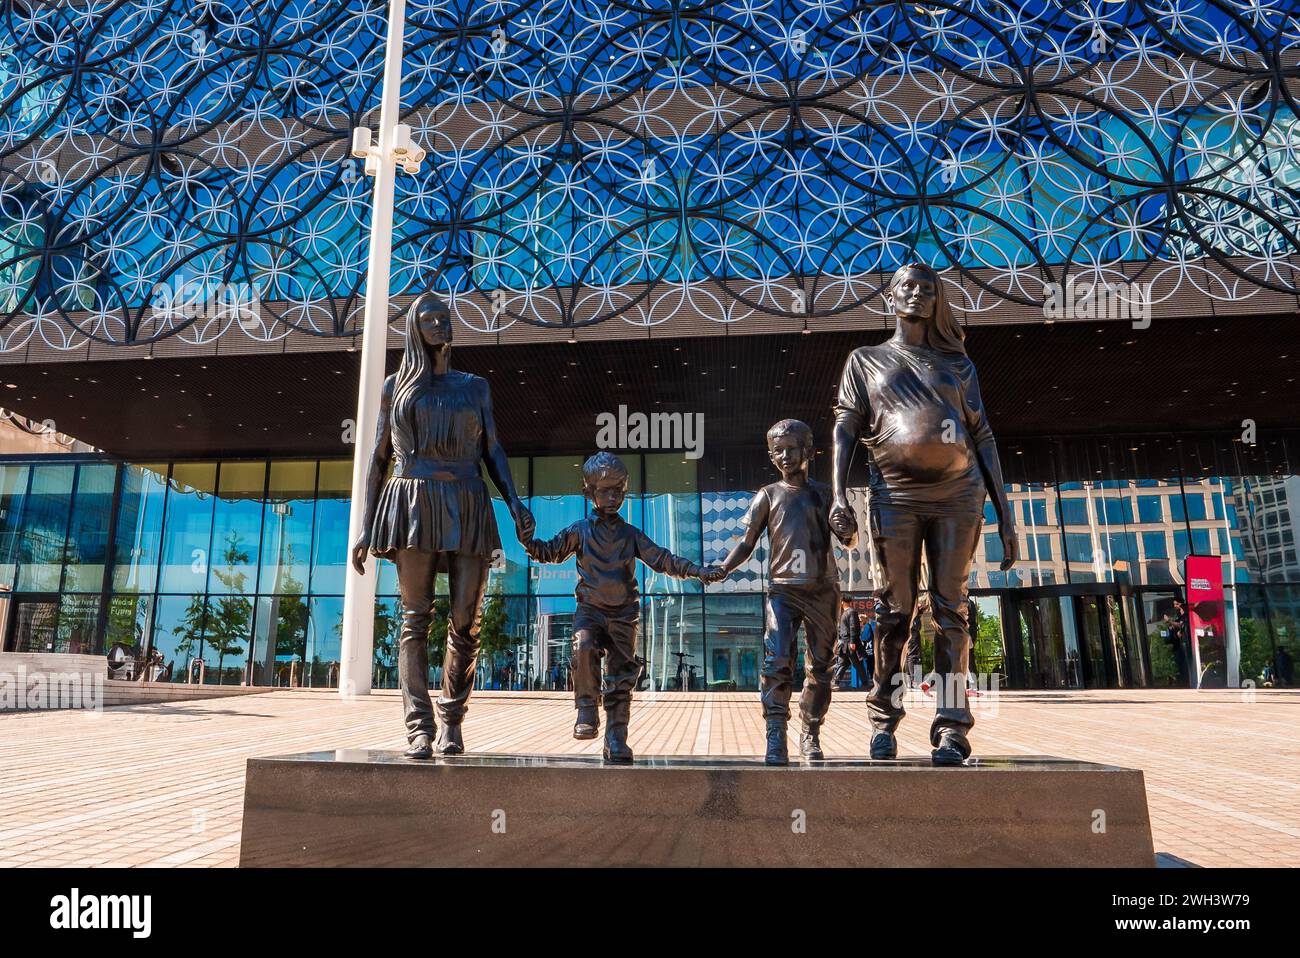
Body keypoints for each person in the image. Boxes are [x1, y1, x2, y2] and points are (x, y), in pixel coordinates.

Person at [830, 263, 1018, 766]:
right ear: (890, 297)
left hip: (959, 495)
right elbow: (845, 429)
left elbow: (982, 436)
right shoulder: (864, 360)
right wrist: (838, 496)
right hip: (894, 494)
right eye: (907, 287)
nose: (917, 294)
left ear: (937, 302)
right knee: (894, 610)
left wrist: (1006, 514)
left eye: (927, 289)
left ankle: (953, 727)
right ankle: (884, 719)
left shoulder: (958, 365)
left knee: (951, 608)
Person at [351, 290, 535, 759]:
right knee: (414, 621)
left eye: (444, 316)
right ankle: (419, 727)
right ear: (415, 329)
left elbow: (493, 449)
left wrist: (514, 502)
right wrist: (365, 526)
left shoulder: (475, 386)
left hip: (468, 499)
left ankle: (453, 719)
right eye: (429, 318)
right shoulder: (397, 386)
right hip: (412, 500)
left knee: (466, 622)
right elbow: (377, 459)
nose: (439, 323)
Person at [523, 452, 721, 762]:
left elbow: (663, 559)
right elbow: (549, 551)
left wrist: (698, 572)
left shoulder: (630, 535)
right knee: (583, 645)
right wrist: (527, 541)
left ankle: (616, 738)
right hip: (590, 610)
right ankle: (586, 709)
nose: (613, 497)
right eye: (605, 491)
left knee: (619, 678)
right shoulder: (580, 530)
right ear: (589, 493)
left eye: (619, 490)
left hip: (624, 616)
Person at [715, 419, 840, 765]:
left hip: (822, 590)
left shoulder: (826, 493)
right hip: (782, 591)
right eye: (778, 451)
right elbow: (746, 542)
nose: (785, 456)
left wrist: (849, 529)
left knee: (822, 666)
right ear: (771, 456)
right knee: (776, 661)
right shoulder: (767, 496)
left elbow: (850, 539)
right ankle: (775, 734)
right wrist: (724, 568)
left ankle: (810, 731)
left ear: (808, 451)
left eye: (792, 449)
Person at [834, 599, 861, 689]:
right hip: (843, 644)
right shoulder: (843, 613)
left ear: (843, 602)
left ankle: (865, 683)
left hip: (849, 643)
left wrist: (852, 642)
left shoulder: (851, 612)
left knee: (856, 663)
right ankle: (835, 682)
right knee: (842, 663)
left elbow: (853, 627)